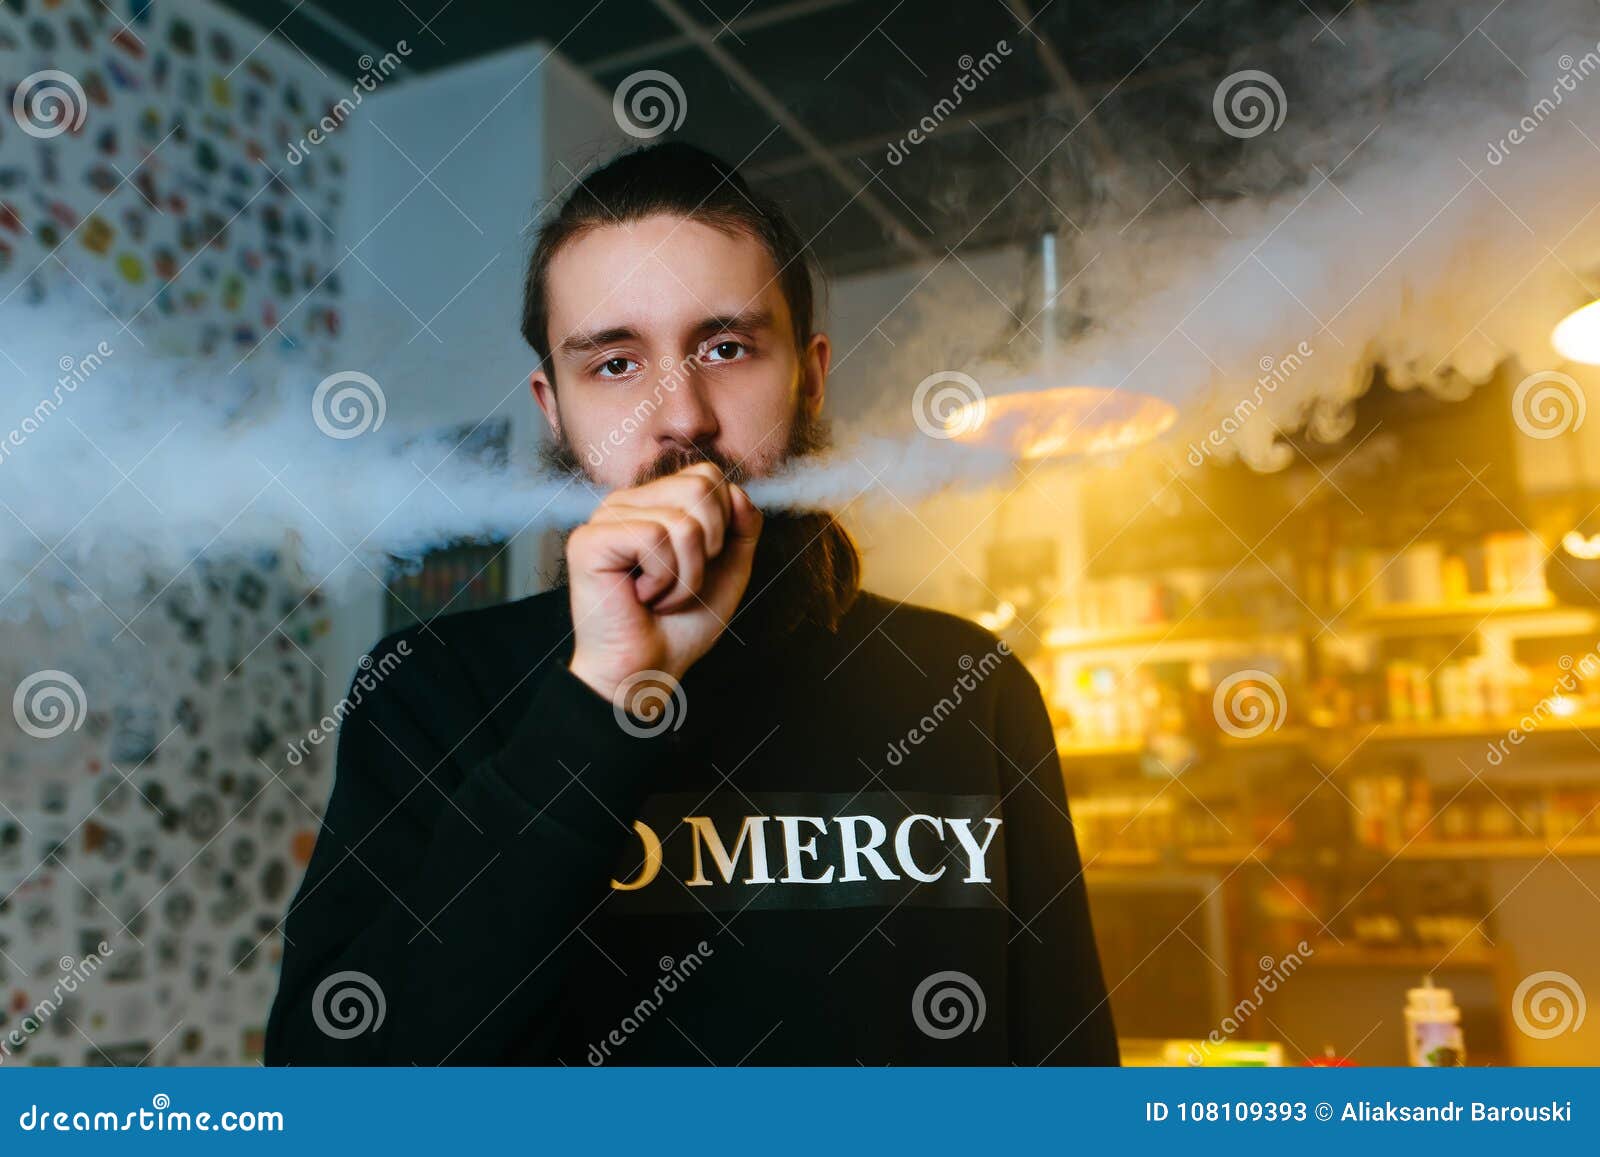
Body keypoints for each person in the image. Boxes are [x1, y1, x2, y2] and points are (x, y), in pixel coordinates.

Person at [264, 141, 1118, 1066]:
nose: (683, 416)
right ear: (554, 409)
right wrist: (600, 703)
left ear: (811, 374)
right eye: (616, 365)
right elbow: (339, 1082)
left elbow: (1069, 1068)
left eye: (727, 347)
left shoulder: (968, 684)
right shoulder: (425, 689)